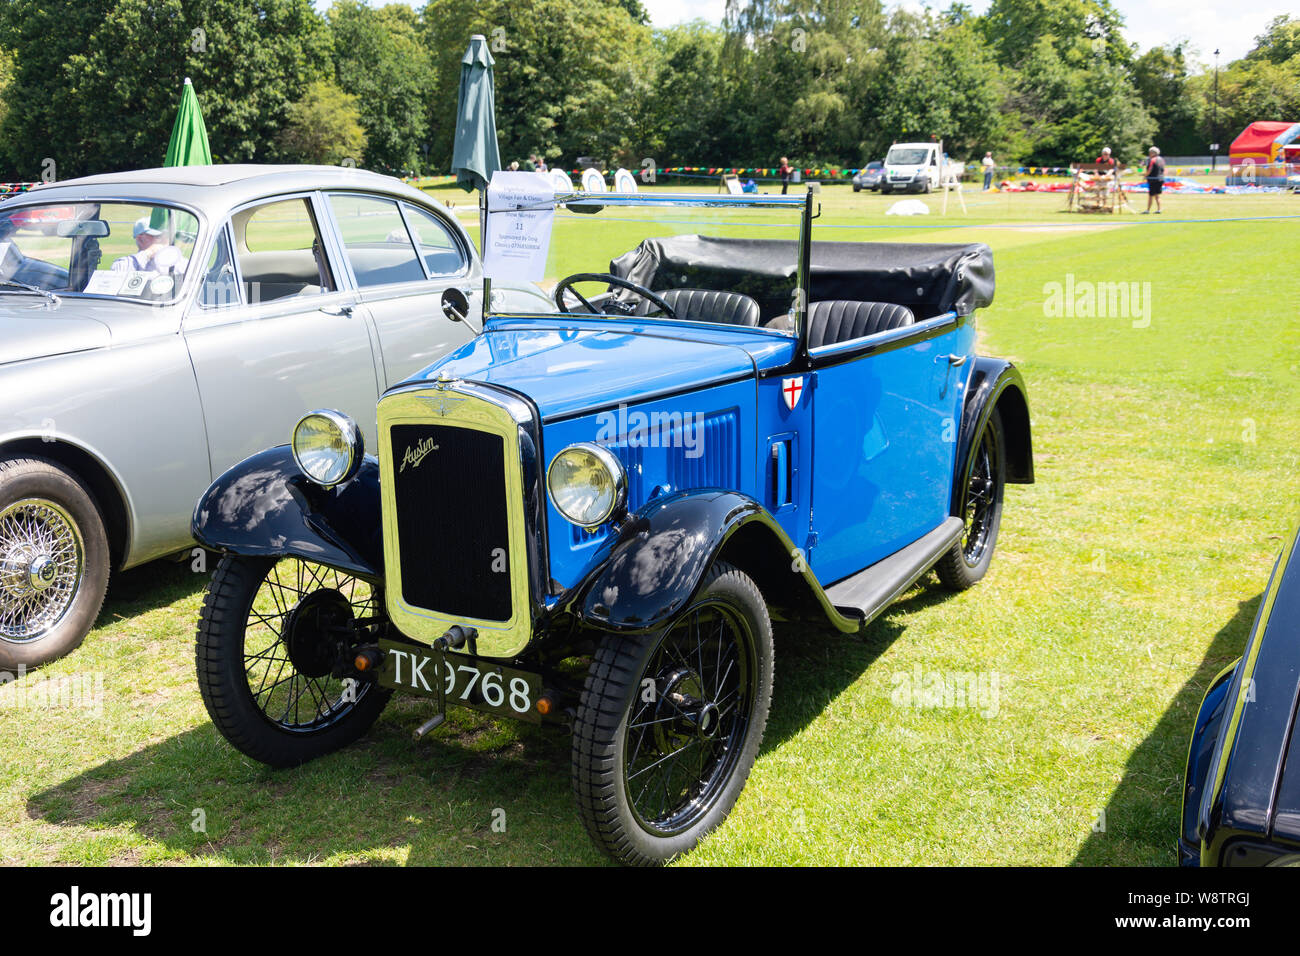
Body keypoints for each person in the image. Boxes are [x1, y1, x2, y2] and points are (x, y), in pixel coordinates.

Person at [112, 217, 185, 273]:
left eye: (166, 235)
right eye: (158, 236)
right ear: (140, 239)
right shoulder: (124, 263)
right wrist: (147, 254)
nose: (165, 240)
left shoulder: (179, 263)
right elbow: (118, 271)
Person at [1142, 146, 1166, 214]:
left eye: (1150, 152)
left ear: (1153, 153)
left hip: (1153, 179)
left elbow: (1150, 169)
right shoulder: (1161, 159)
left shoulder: (1152, 160)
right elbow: (1163, 169)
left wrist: (1145, 175)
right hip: (1160, 179)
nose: (1149, 154)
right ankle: (1159, 209)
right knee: (1157, 195)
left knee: (1151, 195)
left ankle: (1148, 210)